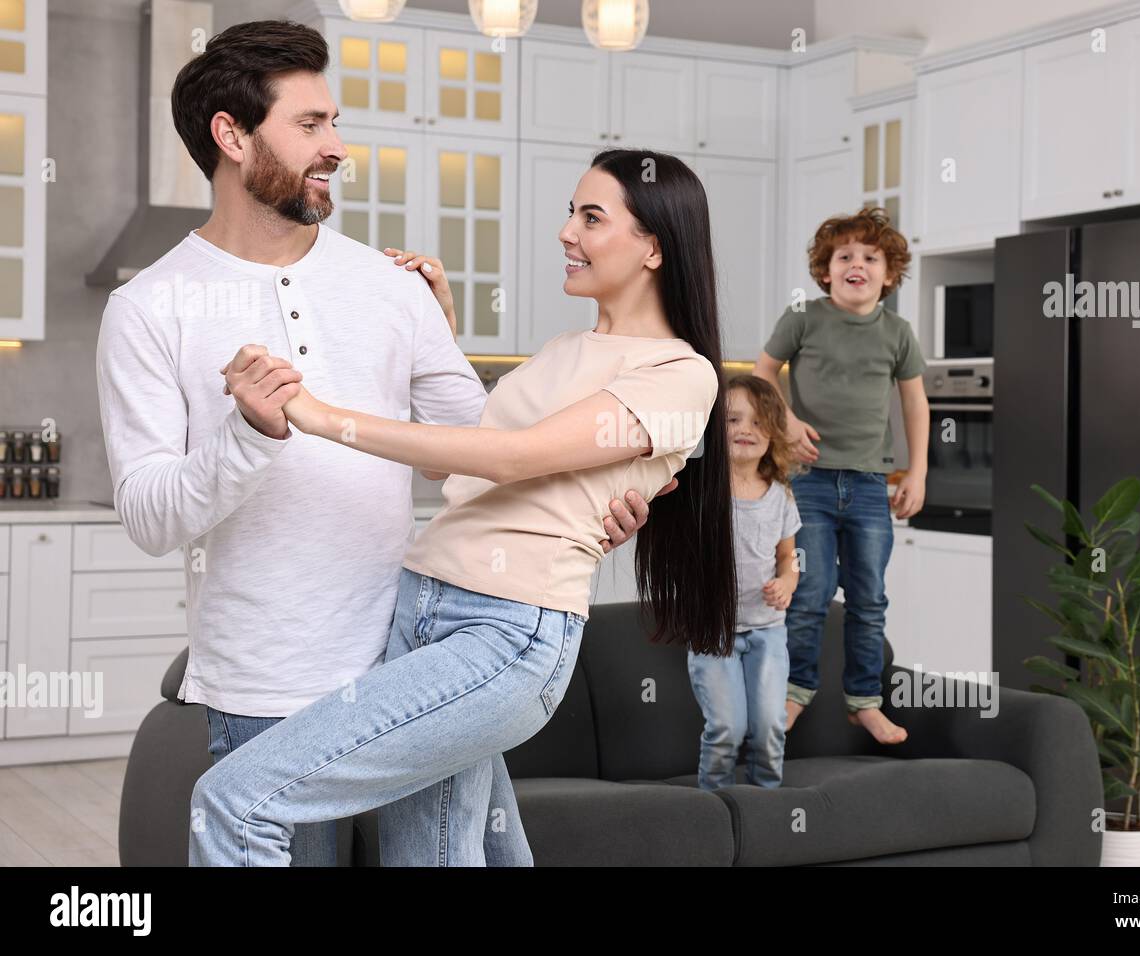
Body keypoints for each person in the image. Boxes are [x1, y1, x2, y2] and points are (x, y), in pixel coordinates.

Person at [96, 19, 654, 867]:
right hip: (267, 686)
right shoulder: (150, 308)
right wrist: (248, 433)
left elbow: (475, 452)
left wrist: (585, 506)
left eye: (335, 123)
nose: (337, 148)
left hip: (418, 666)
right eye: (311, 125)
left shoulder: (389, 289)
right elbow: (148, 516)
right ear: (232, 136)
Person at [187, 147, 737, 866]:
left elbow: (515, 457)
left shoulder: (679, 373)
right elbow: (460, 458)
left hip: (503, 632)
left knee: (236, 799)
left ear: (654, 247)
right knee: (436, 856)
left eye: (592, 217)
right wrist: (436, 332)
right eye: (570, 213)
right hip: (421, 607)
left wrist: (318, 415)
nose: (568, 232)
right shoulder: (564, 349)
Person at [753, 206, 929, 745]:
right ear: (825, 271)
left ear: (890, 273)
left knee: (869, 598)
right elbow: (761, 374)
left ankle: (863, 701)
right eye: (844, 256)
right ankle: (796, 691)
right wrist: (785, 418)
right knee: (809, 593)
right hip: (809, 482)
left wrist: (917, 472)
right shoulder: (803, 319)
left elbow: (917, 404)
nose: (858, 264)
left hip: (873, 486)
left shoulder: (897, 332)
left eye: (871, 257)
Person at [687, 375, 801, 790]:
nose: (745, 430)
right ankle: (712, 813)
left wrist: (788, 582)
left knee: (771, 730)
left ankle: (767, 815)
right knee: (727, 731)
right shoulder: (702, 491)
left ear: (773, 433)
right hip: (713, 634)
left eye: (757, 422)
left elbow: (789, 558)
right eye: (733, 419)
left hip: (768, 631)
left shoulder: (781, 496)